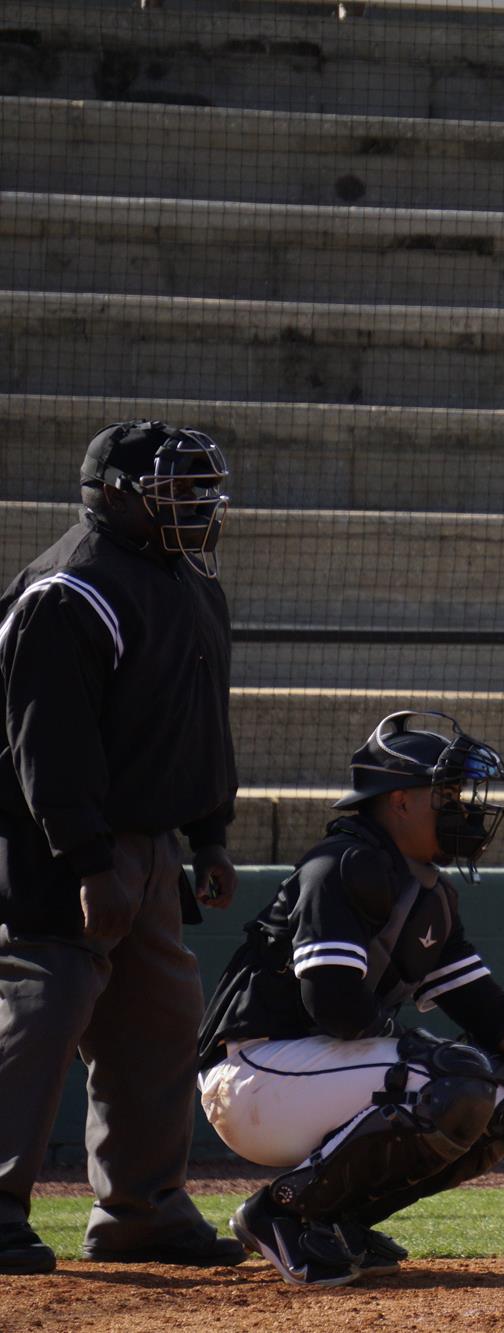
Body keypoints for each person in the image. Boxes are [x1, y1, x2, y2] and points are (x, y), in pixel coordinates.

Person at [195, 710, 504, 1286]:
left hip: (318, 1074)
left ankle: (336, 1220)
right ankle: (281, 1213)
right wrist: (433, 1059)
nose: (464, 808)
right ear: (399, 800)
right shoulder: (340, 866)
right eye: (447, 793)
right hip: (254, 1075)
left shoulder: (427, 892)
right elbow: (335, 1006)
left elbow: (492, 1012)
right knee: (456, 1078)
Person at [0, 420, 244, 1275]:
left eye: (204, 489)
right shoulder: (68, 588)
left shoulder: (189, 580)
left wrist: (210, 832)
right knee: (42, 1014)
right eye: (179, 490)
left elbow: (202, 719)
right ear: (114, 495)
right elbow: (49, 746)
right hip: (55, 848)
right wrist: (88, 861)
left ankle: (142, 1211)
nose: (201, 506)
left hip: (153, 848)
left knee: (160, 1026)